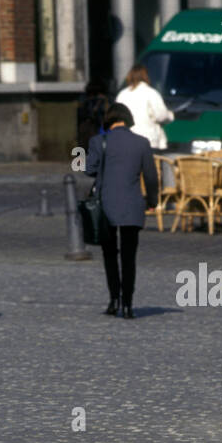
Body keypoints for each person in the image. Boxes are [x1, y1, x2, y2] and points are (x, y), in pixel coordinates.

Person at [84, 103, 159, 319]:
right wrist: (152, 200)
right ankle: (128, 304)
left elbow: (88, 169)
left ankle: (113, 299)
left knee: (109, 255)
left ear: (108, 120)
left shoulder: (98, 141)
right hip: (132, 206)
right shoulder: (142, 143)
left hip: (106, 206)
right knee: (129, 257)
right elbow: (151, 177)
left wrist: (79, 151)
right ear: (127, 119)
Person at [113, 64, 173, 151]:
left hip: (126, 141)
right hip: (148, 140)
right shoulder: (151, 93)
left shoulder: (121, 95)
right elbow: (161, 115)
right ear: (146, 76)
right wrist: (170, 115)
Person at [77, 80, 109, 150]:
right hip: (90, 127)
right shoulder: (86, 101)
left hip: (100, 128)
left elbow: (107, 113)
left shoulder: (104, 101)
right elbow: (85, 114)